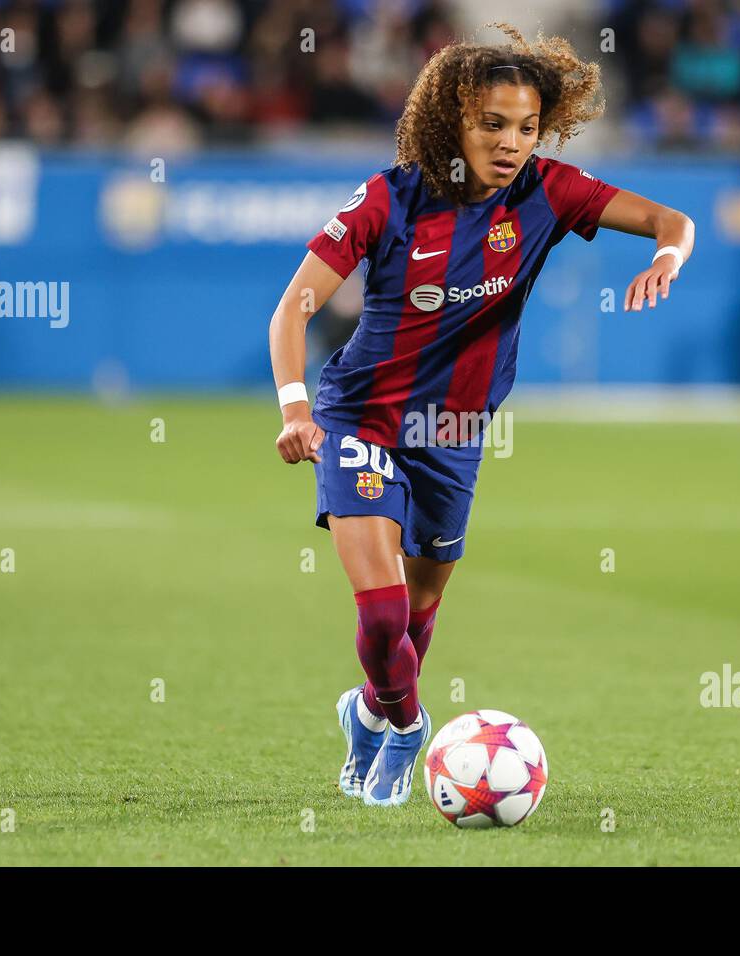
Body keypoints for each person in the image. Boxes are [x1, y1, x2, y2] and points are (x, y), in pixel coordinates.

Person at [268, 24, 694, 807]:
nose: (510, 143)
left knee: (419, 621)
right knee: (383, 611)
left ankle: (368, 711)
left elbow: (674, 222)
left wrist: (666, 258)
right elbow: (292, 311)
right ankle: (404, 729)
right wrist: (297, 408)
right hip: (360, 418)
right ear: (451, 122)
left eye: (527, 127)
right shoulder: (386, 198)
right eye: (492, 124)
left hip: (456, 436)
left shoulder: (548, 193)